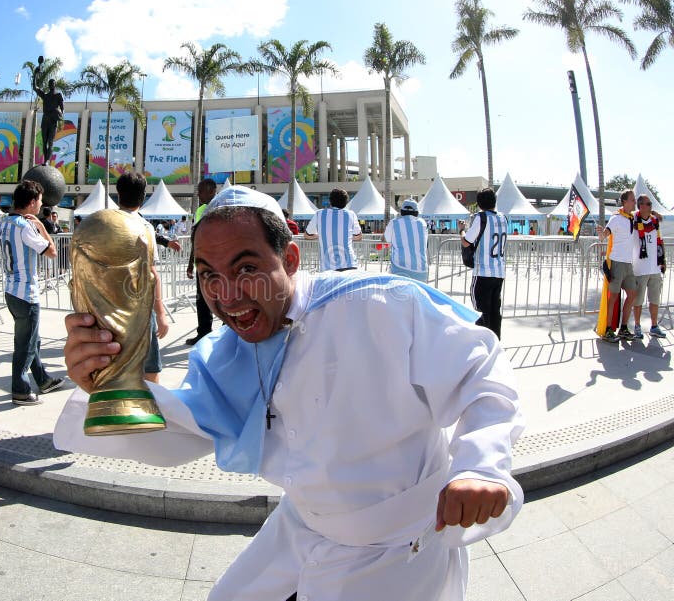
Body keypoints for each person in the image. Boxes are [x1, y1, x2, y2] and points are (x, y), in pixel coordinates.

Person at [56, 186, 524, 601]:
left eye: (246, 268)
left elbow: (481, 372)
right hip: (300, 528)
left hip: (400, 547)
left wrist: (479, 465)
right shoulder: (225, 354)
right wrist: (102, 383)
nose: (228, 294)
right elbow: (184, 429)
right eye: (208, 275)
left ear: (292, 260)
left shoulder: (378, 305)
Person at [0, 180, 64, 405]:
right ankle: (20, 389)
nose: (42, 204)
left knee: (31, 339)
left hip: (11, 289)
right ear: (32, 203)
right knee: (25, 344)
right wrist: (42, 226)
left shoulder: (4, 222)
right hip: (26, 292)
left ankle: (43, 379)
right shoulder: (25, 226)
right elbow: (52, 252)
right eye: (40, 200)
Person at [115, 172, 170, 383]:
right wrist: (161, 313)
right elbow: (151, 272)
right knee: (150, 367)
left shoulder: (105, 225)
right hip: (141, 308)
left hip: (112, 306)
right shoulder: (144, 227)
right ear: (143, 196)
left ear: (118, 194)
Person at [462, 188, 509, 340]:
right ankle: (496, 341)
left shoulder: (481, 218)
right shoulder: (503, 218)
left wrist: (461, 230)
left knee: (480, 311)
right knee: (495, 310)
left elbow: (466, 241)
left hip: (483, 271)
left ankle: (483, 343)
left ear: (479, 203)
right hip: (499, 271)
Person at [597, 190, 639, 343]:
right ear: (625, 202)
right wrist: (601, 233)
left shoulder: (633, 219)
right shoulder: (616, 218)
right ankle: (608, 329)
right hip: (617, 263)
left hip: (629, 263)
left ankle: (624, 328)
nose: (635, 203)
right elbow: (605, 235)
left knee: (632, 294)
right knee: (613, 297)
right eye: (632, 200)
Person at [185, 178, 218, 346]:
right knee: (207, 299)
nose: (198, 194)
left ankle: (206, 333)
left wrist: (192, 262)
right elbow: (196, 237)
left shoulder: (209, 209)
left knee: (207, 300)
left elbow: (196, 237)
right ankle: (207, 332)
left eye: (201, 190)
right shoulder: (209, 209)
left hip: (209, 264)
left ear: (211, 191)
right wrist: (192, 262)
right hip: (207, 263)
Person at [304, 188, 362, 271]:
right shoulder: (351, 214)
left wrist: (321, 236)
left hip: (328, 266)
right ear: (345, 202)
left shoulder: (319, 214)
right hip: (349, 263)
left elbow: (307, 235)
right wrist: (346, 236)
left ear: (330, 201)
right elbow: (359, 236)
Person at [632, 194, 666, 339]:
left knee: (654, 300)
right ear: (641, 206)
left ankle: (654, 326)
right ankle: (637, 326)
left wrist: (663, 260)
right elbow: (624, 211)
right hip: (640, 268)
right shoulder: (633, 219)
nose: (651, 206)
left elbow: (660, 241)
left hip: (655, 267)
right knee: (638, 300)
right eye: (648, 203)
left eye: (651, 204)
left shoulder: (654, 221)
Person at [383, 198, 429, 282]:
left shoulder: (394, 222)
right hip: (421, 271)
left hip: (400, 269)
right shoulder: (422, 223)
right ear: (416, 212)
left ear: (402, 211)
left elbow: (387, 239)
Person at [32, 75, 64, 164]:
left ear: (54, 85)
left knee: (50, 142)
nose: (51, 85)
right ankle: (45, 159)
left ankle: (46, 161)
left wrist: (60, 117)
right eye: (49, 83)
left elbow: (62, 108)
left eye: (52, 83)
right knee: (44, 142)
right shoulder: (45, 96)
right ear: (48, 85)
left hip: (53, 120)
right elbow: (35, 87)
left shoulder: (58, 95)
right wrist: (35, 74)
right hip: (45, 120)